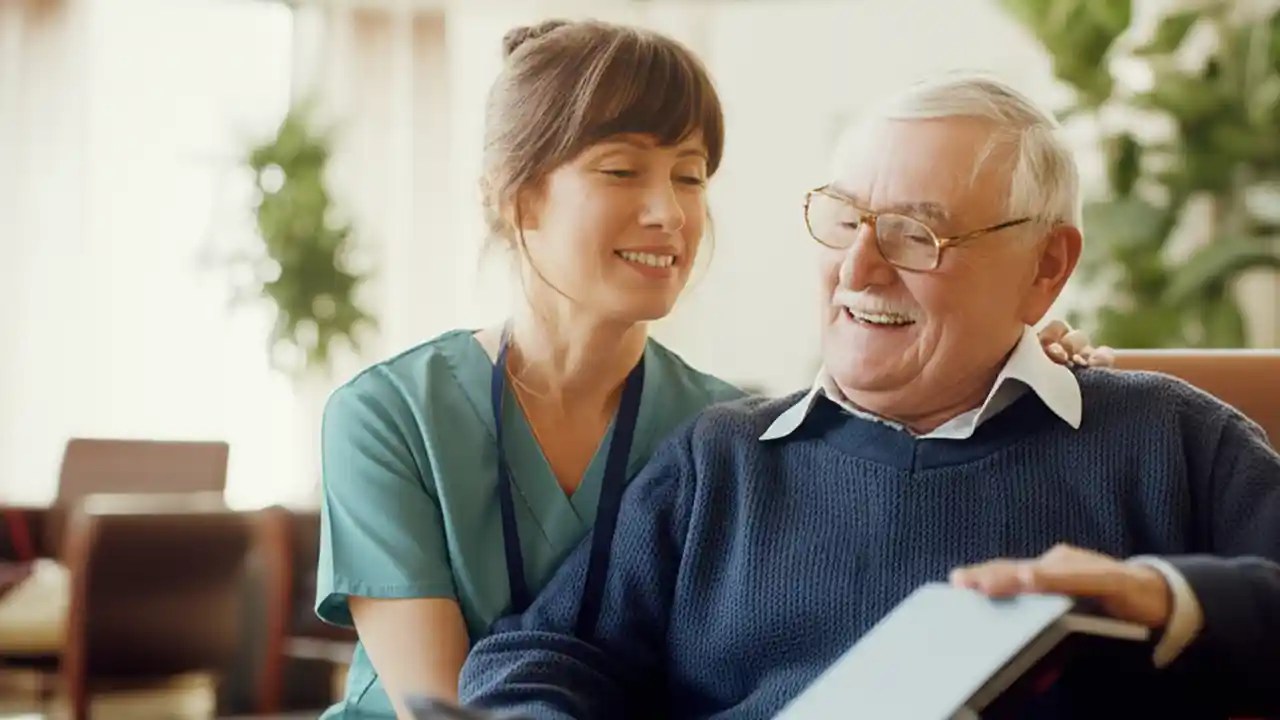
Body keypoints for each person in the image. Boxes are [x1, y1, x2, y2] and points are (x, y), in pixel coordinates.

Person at [315, 21, 1107, 719]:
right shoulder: (390, 417)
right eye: (623, 171)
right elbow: (442, 707)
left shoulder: (725, 436)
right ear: (520, 200)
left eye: (690, 175)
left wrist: (1019, 348)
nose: (669, 212)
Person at [457, 75, 1280, 720]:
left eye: (916, 235)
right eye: (846, 221)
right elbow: (542, 654)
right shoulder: (721, 459)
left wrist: (1171, 599)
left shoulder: (1173, 441)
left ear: (1046, 268)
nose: (859, 270)